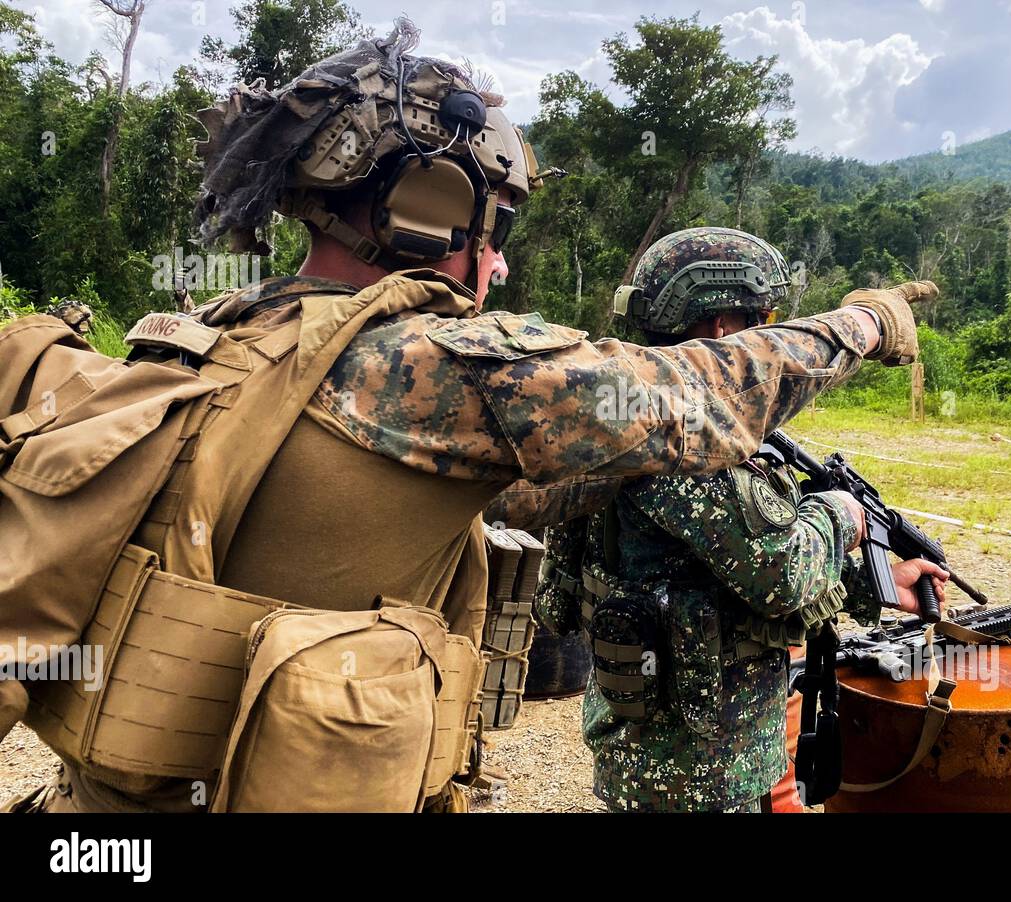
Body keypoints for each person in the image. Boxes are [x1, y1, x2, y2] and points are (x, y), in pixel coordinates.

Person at [1, 21, 932, 813]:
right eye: (491, 228)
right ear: (430, 208)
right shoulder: (431, 367)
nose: (494, 266)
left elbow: (463, 499)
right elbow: (698, 394)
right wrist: (859, 322)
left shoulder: (218, 333)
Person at [531, 228, 948, 812]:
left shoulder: (626, 418)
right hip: (694, 767)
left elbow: (712, 582)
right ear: (723, 326)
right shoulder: (681, 445)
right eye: (765, 316)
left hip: (667, 747)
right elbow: (778, 573)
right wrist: (839, 516)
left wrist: (869, 585)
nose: (771, 333)